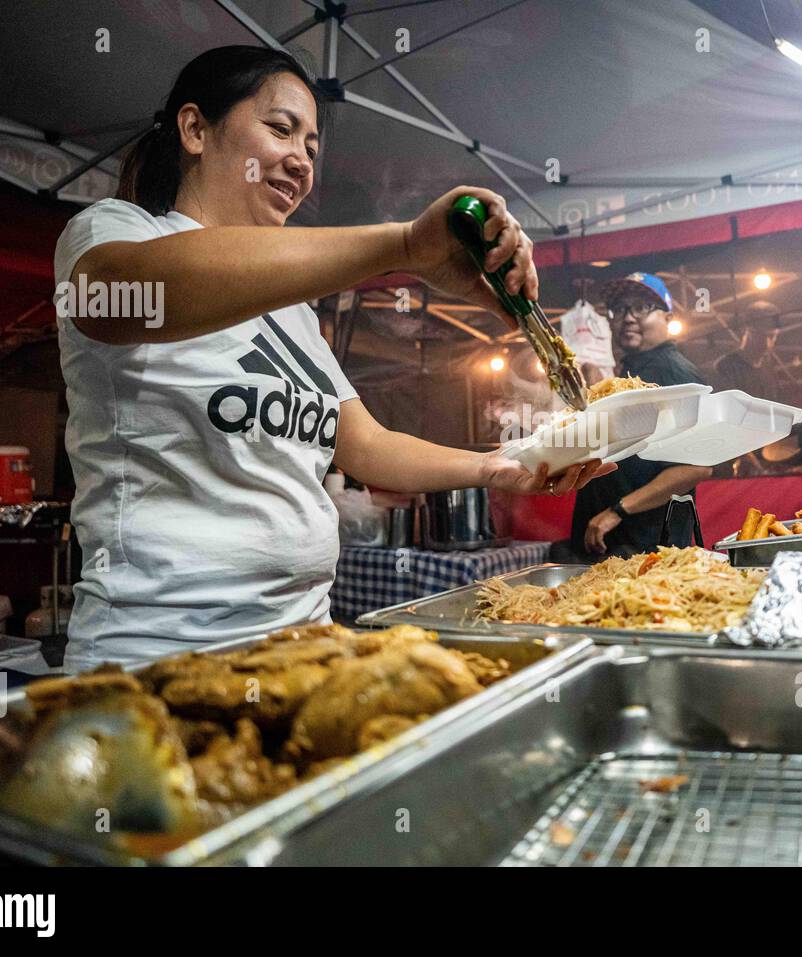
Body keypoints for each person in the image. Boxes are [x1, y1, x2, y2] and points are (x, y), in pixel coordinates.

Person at [53, 46, 612, 670]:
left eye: (313, 148)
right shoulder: (117, 233)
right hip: (156, 654)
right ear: (194, 128)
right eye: (281, 128)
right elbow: (118, 300)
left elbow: (365, 445)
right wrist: (400, 244)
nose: (301, 160)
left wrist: (502, 467)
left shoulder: (294, 309)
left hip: (302, 644)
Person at [551, 273, 712, 559]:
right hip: (613, 547)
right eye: (620, 309)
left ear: (667, 318)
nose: (628, 317)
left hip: (647, 548)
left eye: (641, 307)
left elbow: (696, 467)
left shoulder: (675, 374)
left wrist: (617, 511)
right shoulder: (633, 373)